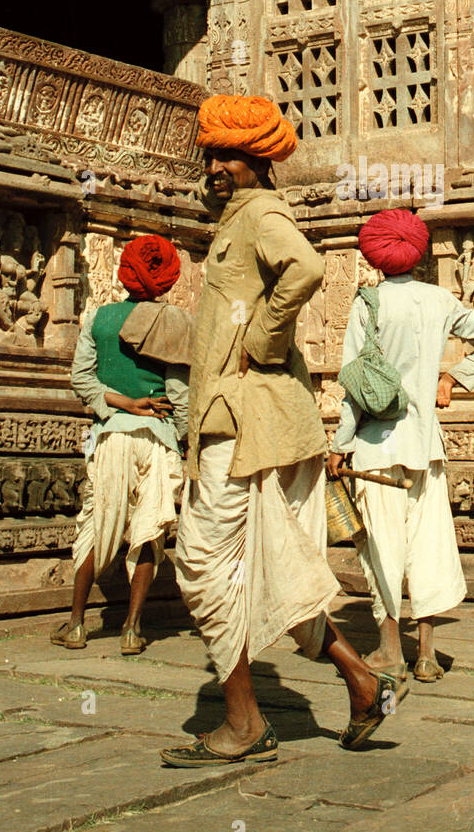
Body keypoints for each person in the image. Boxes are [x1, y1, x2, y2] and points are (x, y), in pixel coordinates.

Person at [162, 95, 406, 766]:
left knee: (204, 570)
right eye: (211, 154)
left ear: (259, 160)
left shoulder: (262, 213)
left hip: (239, 421)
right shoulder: (241, 216)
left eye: (230, 155)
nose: (216, 166)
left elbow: (306, 268)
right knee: (265, 563)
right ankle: (362, 681)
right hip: (254, 419)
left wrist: (265, 341)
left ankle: (243, 723)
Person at [326, 208, 474, 682]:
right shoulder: (439, 299)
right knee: (428, 546)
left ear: (377, 258)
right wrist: (452, 378)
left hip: (376, 447)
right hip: (426, 445)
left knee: (385, 547)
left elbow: (356, 386)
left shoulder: (368, 304)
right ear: (416, 254)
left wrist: (339, 444)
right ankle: (426, 653)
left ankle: (390, 650)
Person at [53, 234, 190, 656]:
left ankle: (76, 625)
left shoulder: (99, 318)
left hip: (111, 435)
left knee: (97, 525)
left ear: (125, 273)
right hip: (157, 438)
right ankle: (132, 629)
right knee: (148, 531)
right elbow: (178, 395)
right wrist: (182, 439)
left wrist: (122, 402)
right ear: (166, 280)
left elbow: (82, 380)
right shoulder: (173, 321)